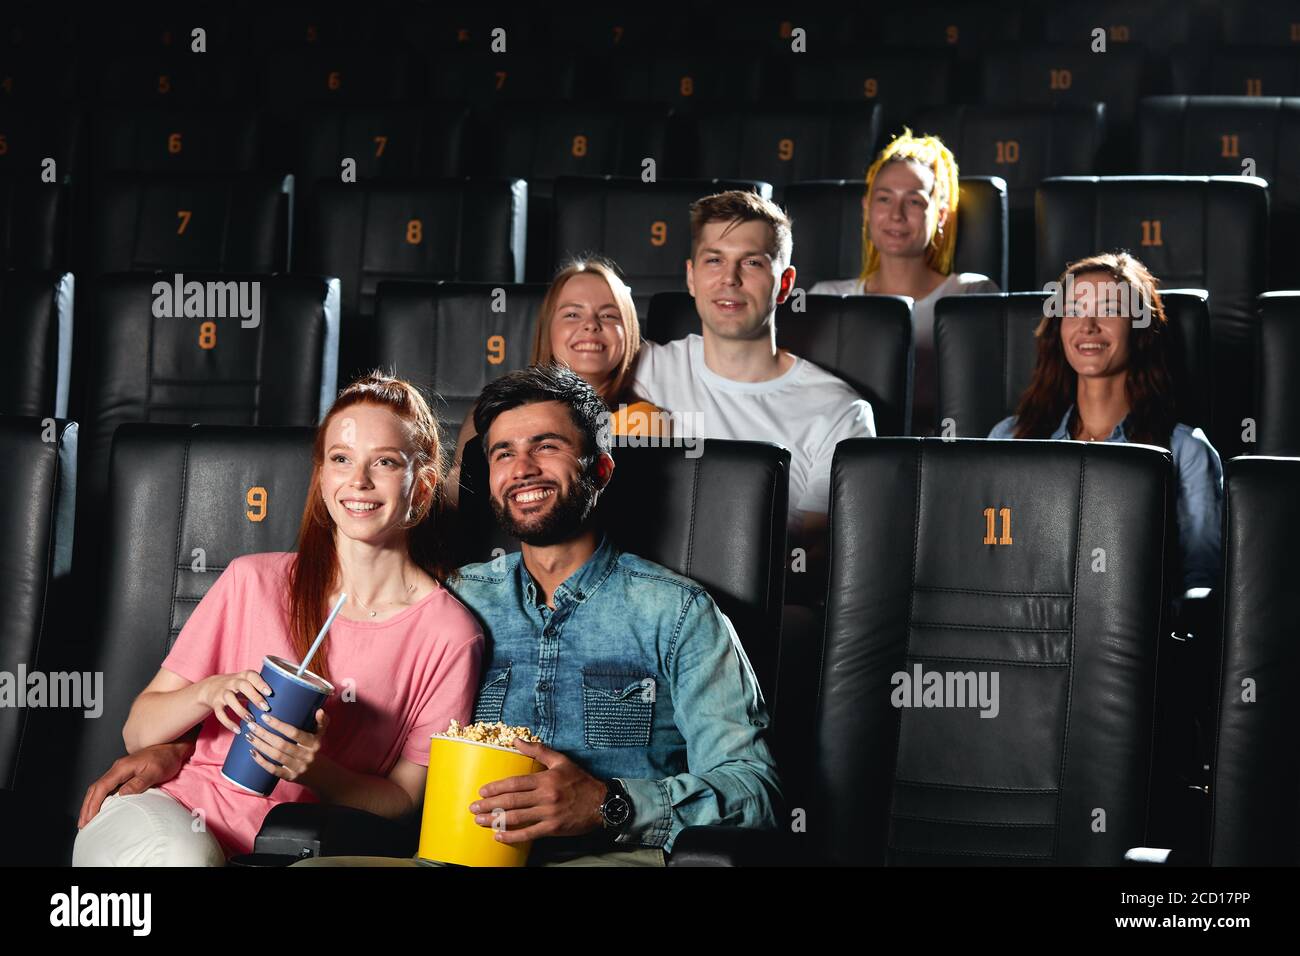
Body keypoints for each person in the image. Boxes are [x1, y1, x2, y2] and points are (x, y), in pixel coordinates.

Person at [97, 366, 782, 867]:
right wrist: (181, 746)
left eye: (546, 445)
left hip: (607, 855)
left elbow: (755, 791)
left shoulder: (677, 612)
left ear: (599, 469)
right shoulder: (460, 603)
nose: (523, 467)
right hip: (453, 859)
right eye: (504, 452)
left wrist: (609, 804)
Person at [72, 373, 484, 865]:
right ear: (322, 478)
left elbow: (405, 802)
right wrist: (209, 691)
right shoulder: (251, 580)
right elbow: (138, 732)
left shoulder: (450, 635)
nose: (359, 481)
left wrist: (315, 770)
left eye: (386, 462)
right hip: (169, 813)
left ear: (422, 488)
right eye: (341, 459)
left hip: (303, 846)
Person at [631, 189, 876, 592]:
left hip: (751, 615)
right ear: (691, 277)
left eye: (752, 262)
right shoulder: (642, 368)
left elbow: (814, 563)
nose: (730, 278)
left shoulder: (838, 411)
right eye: (714, 260)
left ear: (785, 284)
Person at [988, 252, 1223, 592]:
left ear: (1140, 328)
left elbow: (1201, 581)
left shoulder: (1186, 451)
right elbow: (986, 558)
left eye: (1110, 310)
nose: (1088, 325)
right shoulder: (1008, 437)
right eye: (1075, 310)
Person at [810, 129, 1000, 434]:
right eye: (884, 199)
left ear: (940, 214)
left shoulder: (970, 293)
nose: (896, 215)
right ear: (867, 208)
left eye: (913, 201)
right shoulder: (828, 297)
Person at [445, 257, 665, 507]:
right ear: (548, 329)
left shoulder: (645, 421)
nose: (591, 325)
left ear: (630, 332)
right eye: (572, 314)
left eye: (608, 315)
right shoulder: (495, 409)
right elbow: (456, 499)